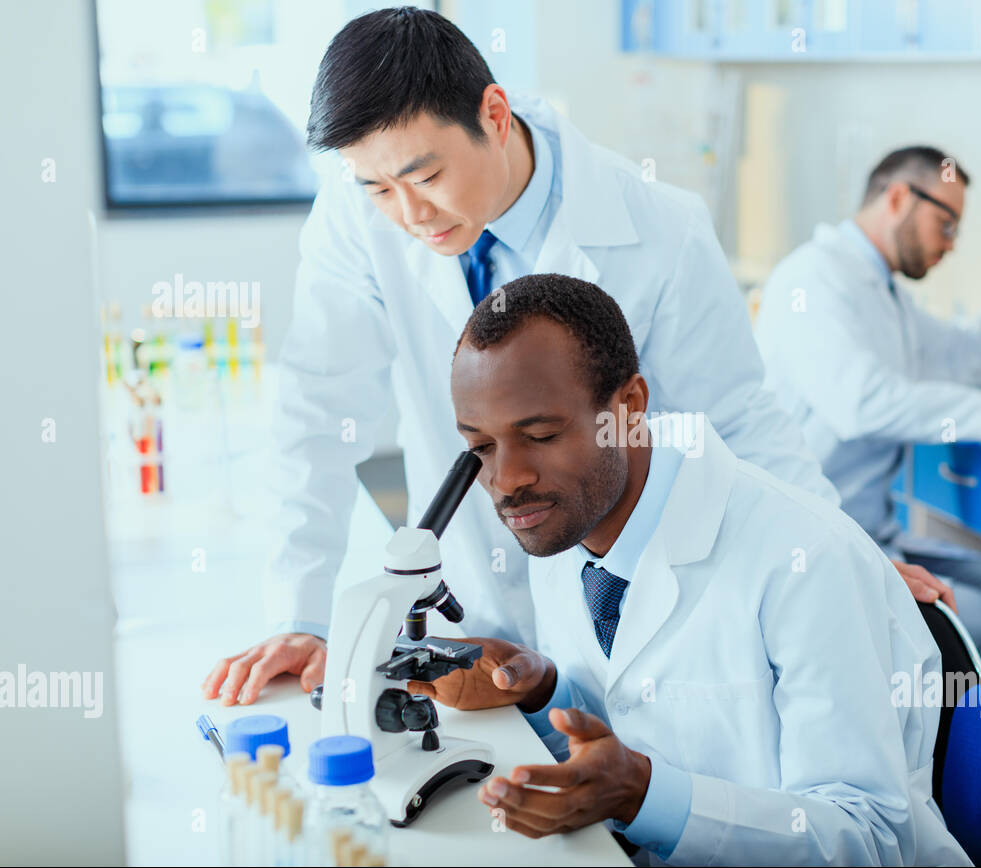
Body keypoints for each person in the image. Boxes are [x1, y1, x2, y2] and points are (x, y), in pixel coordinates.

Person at [200, 7, 840, 707]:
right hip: (468, 607)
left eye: (427, 175)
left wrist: (839, 559)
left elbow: (737, 420)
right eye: (380, 189)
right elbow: (318, 408)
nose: (409, 214)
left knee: (617, 792)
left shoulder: (658, 229)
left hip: (629, 612)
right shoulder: (356, 220)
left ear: (496, 116)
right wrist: (300, 614)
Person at [409, 273, 970, 865]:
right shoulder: (560, 524)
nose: (506, 479)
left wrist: (643, 795)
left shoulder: (805, 559)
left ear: (627, 409)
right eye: (480, 446)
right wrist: (543, 692)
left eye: (541, 435)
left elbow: (871, 837)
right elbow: (628, 717)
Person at [753, 145, 981, 794]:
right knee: (978, 624)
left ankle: (977, 750)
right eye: (946, 223)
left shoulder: (882, 293)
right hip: (821, 546)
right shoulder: (812, 281)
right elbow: (864, 403)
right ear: (898, 198)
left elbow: (959, 354)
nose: (951, 244)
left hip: (875, 531)